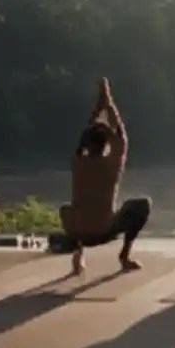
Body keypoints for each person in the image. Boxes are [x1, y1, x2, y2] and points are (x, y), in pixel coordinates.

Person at [59, 78, 150, 276]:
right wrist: (108, 104)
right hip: (102, 231)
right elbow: (122, 137)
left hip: (76, 230)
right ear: (106, 144)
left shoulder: (77, 163)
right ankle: (124, 256)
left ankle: (78, 253)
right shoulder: (111, 165)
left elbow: (85, 138)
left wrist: (97, 113)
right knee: (142, 205)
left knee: (66, 209)